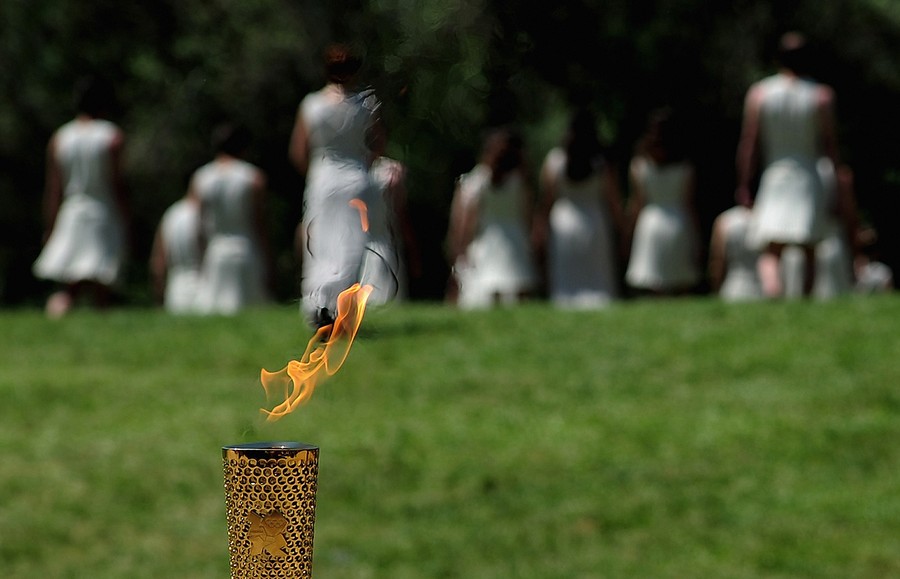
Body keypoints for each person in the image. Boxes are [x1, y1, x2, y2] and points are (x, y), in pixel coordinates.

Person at [736, 31, 840, 298]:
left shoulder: (760, 94)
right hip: (808, 173)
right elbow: (830, 144)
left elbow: (749, 143)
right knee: (810, 247)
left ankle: (774, 293)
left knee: (771, 248)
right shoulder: (820, 95)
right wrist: (837, 181)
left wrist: (744, 182)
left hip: (776, 173)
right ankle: (802, 301)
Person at [289, 43, 384, 326]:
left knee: (320, 241)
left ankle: (319, 302)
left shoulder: (312, 105)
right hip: (356, 177)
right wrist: (362, 165)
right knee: (352, 242)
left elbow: (298, 150)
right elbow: (378, 144)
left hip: (323, 177)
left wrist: (314, 173)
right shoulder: (366, 104)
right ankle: (341, 304)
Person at [32, 76, 129, 317]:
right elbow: (118, 183)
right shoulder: (111, 136)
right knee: (101, 284)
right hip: (103, 211)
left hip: (71, 212)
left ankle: (54, 319)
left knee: (69, 286)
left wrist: (50, 225)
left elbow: (54, 189)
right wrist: (127, 217)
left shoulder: (61, 138)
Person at [536, 108, 624, 308]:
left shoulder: (554, 161)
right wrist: (622, 229)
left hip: (563, 224)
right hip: (595, 222)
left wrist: (539, 229)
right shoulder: (601, 163)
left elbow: (546, 201)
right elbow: (613, 201)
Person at [447, 127, 538, 308]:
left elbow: (463, 223)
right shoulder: (519, 182)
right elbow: (528, 216)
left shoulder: (474, 182)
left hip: (487, 242)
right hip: (515, 241)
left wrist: (458, 252)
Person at [190, 123, 272, 315]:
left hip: (215, 250)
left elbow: (198, 225)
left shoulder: (201, 178)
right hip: (246, 248)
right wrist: (268, 257)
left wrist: (199, 256)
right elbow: (259, 222)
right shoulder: (253, 177)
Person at [624, 108, 701, 296]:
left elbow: (636, 203)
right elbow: (689, 204)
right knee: (680, 279)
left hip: (650, 222)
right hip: (678, 221)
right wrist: (696, 237)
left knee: (654, 281)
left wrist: (627, 233)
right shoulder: (685, 167)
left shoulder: (639, 165)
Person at [360, 155, 419, 305]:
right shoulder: (388, 173)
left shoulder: (387, 172)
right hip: (371, 243)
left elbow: (399, 214)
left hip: (379, 242)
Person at [149, 187, 202, 314]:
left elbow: (158, 261)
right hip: (204, 287)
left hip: (176, 289)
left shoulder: (172, 214)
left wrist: (159, 295)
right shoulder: (203, 214)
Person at [708, 205, 763, 302]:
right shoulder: (767, 217)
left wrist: (716, 286)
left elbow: (718, 260)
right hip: (762, 287)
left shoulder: (725, 220)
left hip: (733, 288)